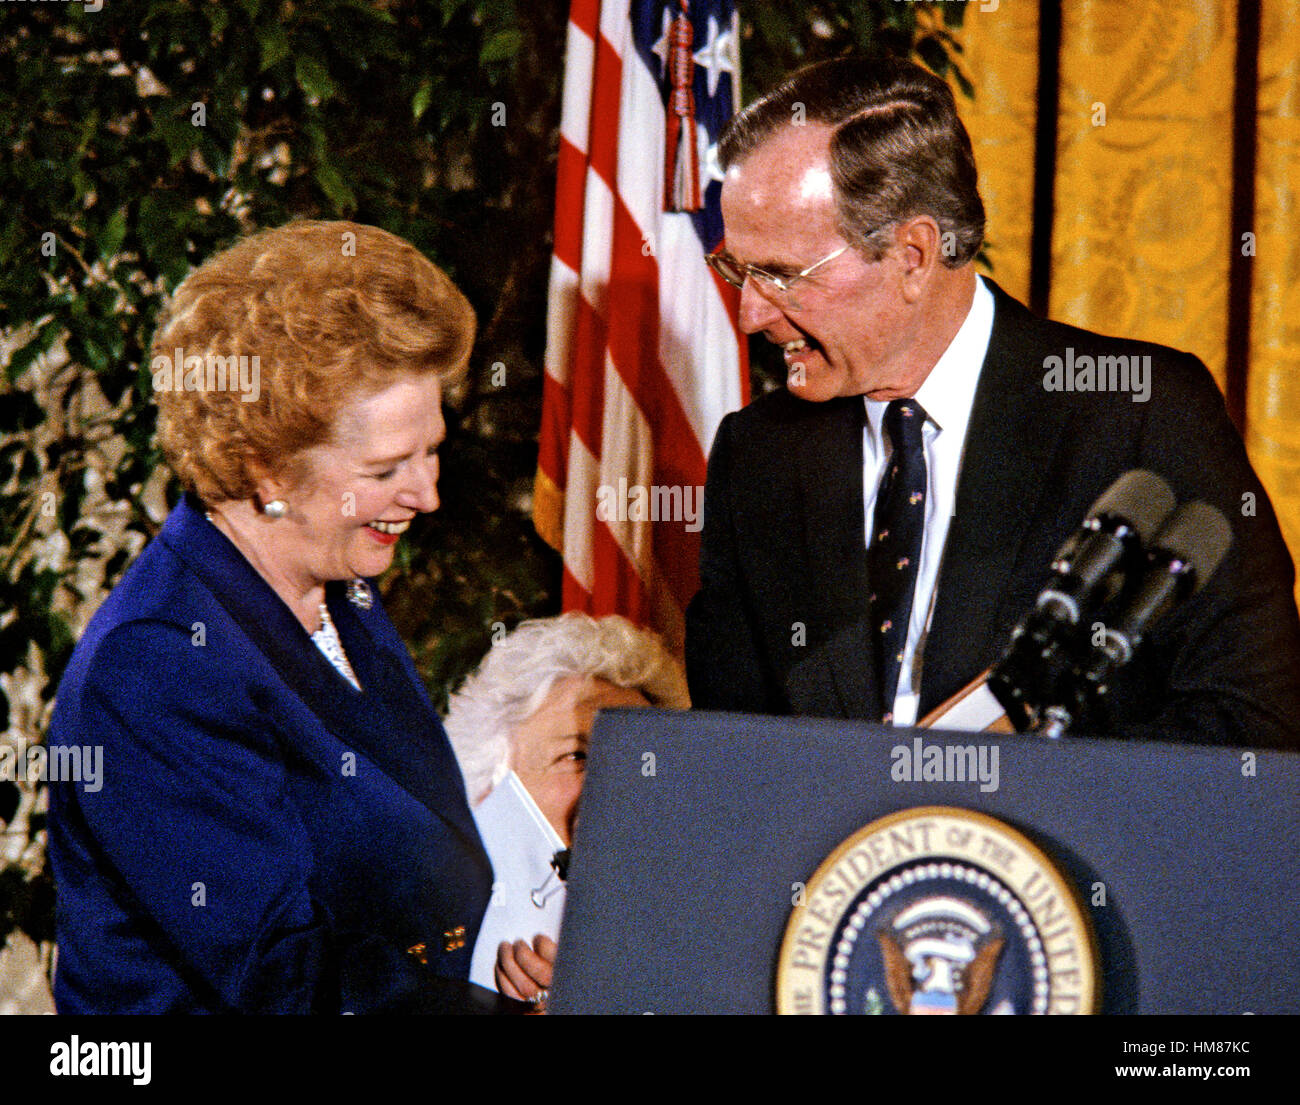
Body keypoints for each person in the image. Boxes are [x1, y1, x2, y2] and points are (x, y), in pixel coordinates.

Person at [684, 57, 1300, 747]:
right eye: (738, 268)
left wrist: (1007, 792)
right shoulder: (760, 455)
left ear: (914, 254)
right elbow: (728, 752)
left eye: (780, 275)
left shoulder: (1138, 414)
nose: (748, 314)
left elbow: (1255, 726)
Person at [47, 220, 516, 1012]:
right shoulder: (158, 660)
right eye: (385, 468)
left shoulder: (338, 590)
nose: (426, 494)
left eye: (431, 451)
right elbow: (286, 981)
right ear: (267, 469)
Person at [444, 612, 688, 1005]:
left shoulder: (722, 938)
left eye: (644, 758)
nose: (621, 782)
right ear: (490, 787)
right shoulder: (422, 959)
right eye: (576, 756)